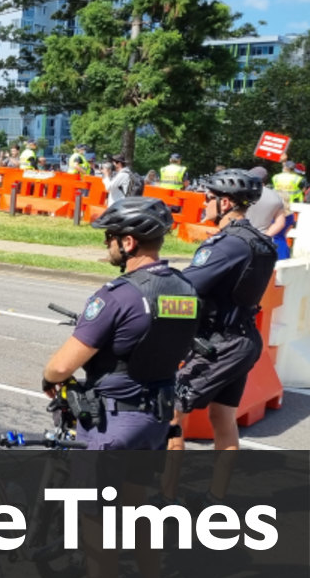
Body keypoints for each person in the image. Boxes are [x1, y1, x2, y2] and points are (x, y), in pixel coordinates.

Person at [43, 197, 198, 451]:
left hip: (112, 425)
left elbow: (60, 367)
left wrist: (48, 377)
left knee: (79, 492)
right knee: (133, 490)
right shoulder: (186, 289)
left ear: (128, 242)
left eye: (110, 237)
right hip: (156, 420)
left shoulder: (117, 296)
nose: (107, 244)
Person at [169, 169, 276, 452]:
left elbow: (186, 286)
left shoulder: (226, 244)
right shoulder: (260, 240)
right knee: (223, 416)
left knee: (170, 412)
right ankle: (216, 495)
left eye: (208, 197)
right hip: (244, 338)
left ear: (225, 203)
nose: (204, 202)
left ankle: (167, 496)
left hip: (220, 344)